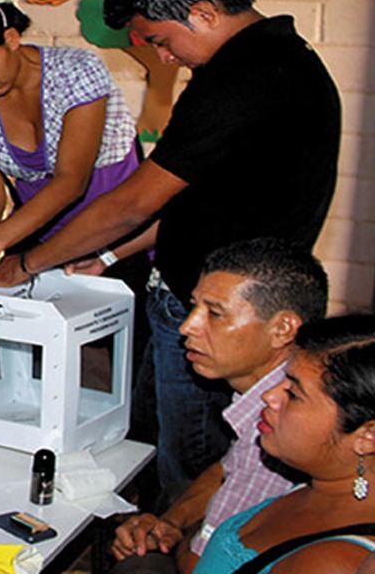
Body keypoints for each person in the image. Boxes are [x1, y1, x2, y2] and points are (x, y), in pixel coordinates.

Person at [0, 0, 342, 502]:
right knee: (149, 438)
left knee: (192, 459)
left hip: (220, 310)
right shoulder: (265, 61)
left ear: (202, 13)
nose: (164, 57)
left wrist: (29, 261)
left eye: (158, 40)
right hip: (186, 287)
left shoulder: (246, 77)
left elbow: (135, 201)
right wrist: (107, 256)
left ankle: (179, 540)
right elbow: (202, 198)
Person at [111, 238, 329, 574]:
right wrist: (169, 522)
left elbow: (205, 564)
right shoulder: (272, 388)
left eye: (214, 313)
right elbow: (225, 470)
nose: (187, 327)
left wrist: (174, 537)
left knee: (137, 566)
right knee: (175, 495)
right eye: (193, 306)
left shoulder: (279, 421)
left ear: (283, 328)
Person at [0, 0, 143, 303]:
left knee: (121, 338)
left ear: (10, 38)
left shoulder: (76, 71)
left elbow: (71, 182)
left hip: (114, 235)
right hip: (39, 235)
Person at [190, 314, 375, 573]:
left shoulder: (332, 563)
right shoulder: (315, 485)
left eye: (293, 393)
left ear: (368, 437)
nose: (269, 396)